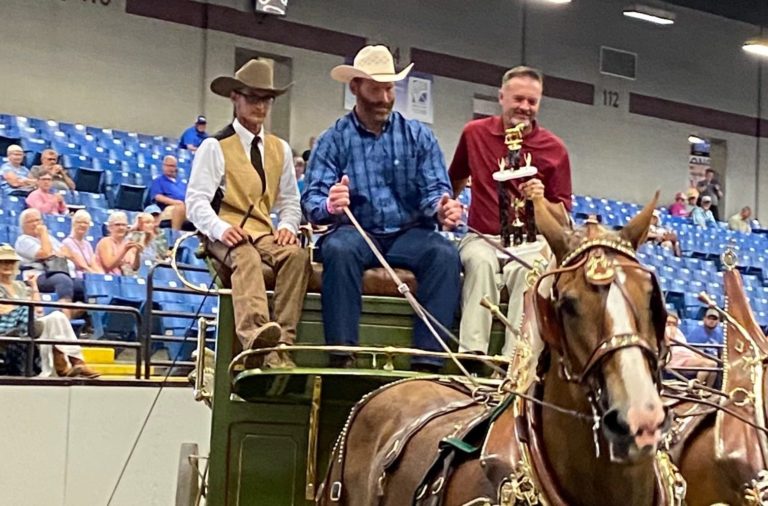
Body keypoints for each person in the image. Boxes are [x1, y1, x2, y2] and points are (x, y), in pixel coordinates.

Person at [302, 45, 463, 372]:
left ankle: (429, 362)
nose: (385, 98)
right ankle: (342, 355)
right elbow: (312, 201)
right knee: (338, 249)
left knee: (445, 255)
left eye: (389, 88)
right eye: (375, 89)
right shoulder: (333, 140)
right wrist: (330, 205)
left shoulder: (420, 137)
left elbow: (435, 190)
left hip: (410, 234)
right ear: (355, 88)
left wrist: (442, 208)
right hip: (357, 233)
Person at [186, 58, 311, 369]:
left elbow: (291, 202)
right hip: (225, 231)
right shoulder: (215, 146)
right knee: (246, 257)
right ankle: (255, 339)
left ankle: (282, 343)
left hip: (263, 231)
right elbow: (196, 201)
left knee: (297, 256)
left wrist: (287, 225)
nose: (260, 106)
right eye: (253, 98)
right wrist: (219, 229)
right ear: (235, 98)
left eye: (265, 99)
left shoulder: (279, 149)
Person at [448, 65, 572, 359]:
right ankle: (472, 354)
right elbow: (453, 179)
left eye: (532, 101)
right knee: (479, 264)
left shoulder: (555, 149)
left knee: (530, 274)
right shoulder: (474, 134)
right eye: (518, 99)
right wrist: (446, 204)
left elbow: (563, 216)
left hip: (531, 241)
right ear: (501, 97)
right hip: (482, 237)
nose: (525, 107)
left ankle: (514, 360)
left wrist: (541, 200)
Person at [0, 244, 98, 378]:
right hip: (8, 325)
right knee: (41, 319)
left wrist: (34, 286)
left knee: (57, 317)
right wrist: (23, 308)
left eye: (11, 262)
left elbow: (38, 308)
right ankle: (62, 366)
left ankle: (76, 362)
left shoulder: (20, 286)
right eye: (3, 262)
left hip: (29, 320)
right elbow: (3, 309)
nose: (7, 265)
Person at [14, 209, 86, 316]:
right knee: (62, 280)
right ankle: (65, 318)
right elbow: (46, 253)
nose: (36, 224)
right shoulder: (23, 240)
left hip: (58, 272)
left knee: (81, 284)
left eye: (38, 220)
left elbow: (68, 253)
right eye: (31, 221)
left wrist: (52, 250)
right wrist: (43, 235)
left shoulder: (49, 238)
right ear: (23, 226)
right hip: (36, 276)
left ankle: (87, 322)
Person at [149, 155, 187, 230]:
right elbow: (158, 197)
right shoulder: (159, 181)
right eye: (169, 166)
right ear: (164, 166)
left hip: (186, 206)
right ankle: (175, 234)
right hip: (169, 208)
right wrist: (176, 202)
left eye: (173, 166)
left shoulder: (181, 182)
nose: (171, 168)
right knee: (180, 207)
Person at [61, 210, 102, 278]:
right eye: (79, 222)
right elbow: (81, 264)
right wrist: (93, 274)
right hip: (77, 276)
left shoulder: (87, 244)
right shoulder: (67, 242)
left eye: (85, 223)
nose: (82, 225)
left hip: (89, 275)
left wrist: (101, 275)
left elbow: (93, 263)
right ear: (73, 224)